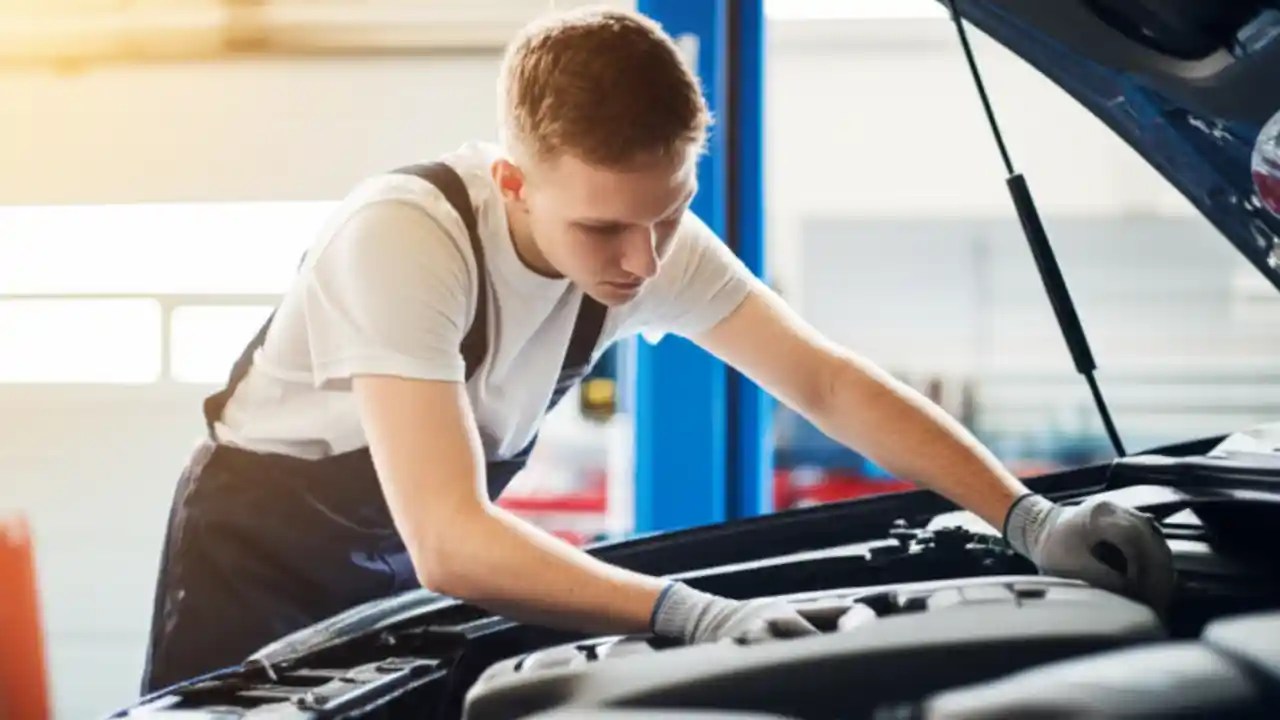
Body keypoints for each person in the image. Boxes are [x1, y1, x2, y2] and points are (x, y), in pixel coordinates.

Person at [139, 6, 1175, 693]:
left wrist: (1024, 514)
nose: (640, 261)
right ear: (513, 184)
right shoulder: (406, 238)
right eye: (601, 230)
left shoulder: (642, 235)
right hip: (257, 554)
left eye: (669, 214)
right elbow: (452, 539)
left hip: (403, 553)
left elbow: (822, 380)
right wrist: (693, 616)